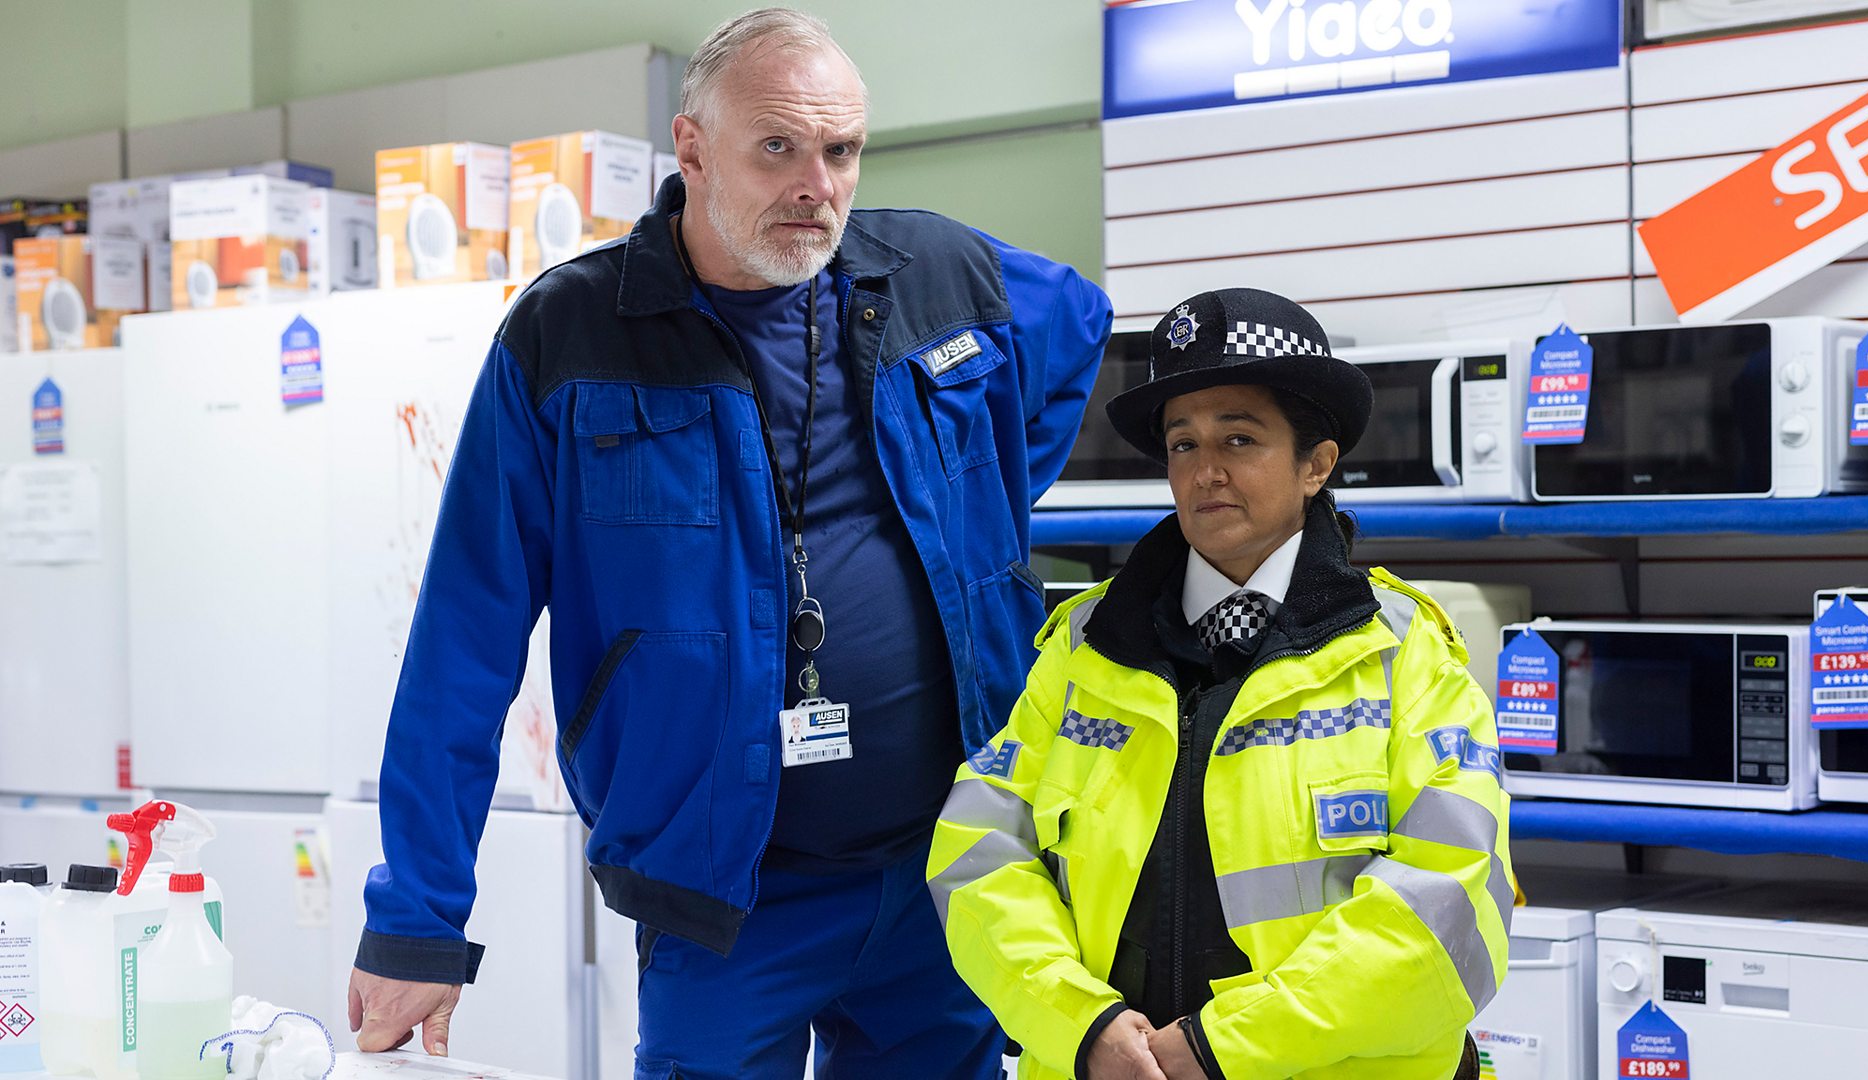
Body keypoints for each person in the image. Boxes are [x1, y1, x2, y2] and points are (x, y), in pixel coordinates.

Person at [344, 9, 1111, 1077]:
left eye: (841, 150)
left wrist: (982, 516)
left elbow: (1079, 327)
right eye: (778, 148)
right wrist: (418, 920)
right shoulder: (570, 334)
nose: (816, 186)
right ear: (693, 148)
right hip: (724, 901)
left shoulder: (938, 271)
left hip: (948, 874)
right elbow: (463, 640)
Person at [929, 289, 1512, 1080]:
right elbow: (978, 855)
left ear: (1316, 464)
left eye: (1240, 438)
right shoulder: (1084, 646)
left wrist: (1221, 1047)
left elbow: (1450, 907)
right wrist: (1082, 1026)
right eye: (1183, 444)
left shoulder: (1404, 653)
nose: (1206, 472)